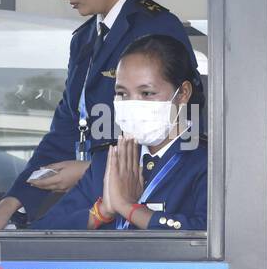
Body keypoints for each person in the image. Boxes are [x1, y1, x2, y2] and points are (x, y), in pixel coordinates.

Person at [0, 0, 199, 230]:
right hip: (90, 201)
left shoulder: (155, 26)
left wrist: (92, 170)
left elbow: (186, 129)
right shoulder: (85, 38)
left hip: (145, 202)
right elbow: (66, 127)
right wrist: (9, 205)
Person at [39, 34, 206, 232]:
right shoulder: (107, 162)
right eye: (122, 94)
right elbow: (42, 233)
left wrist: (128, 208)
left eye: (147, 93)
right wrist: (101, 212)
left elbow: (212, 237)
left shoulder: (206, 162)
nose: (133, 104)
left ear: (183, 93)